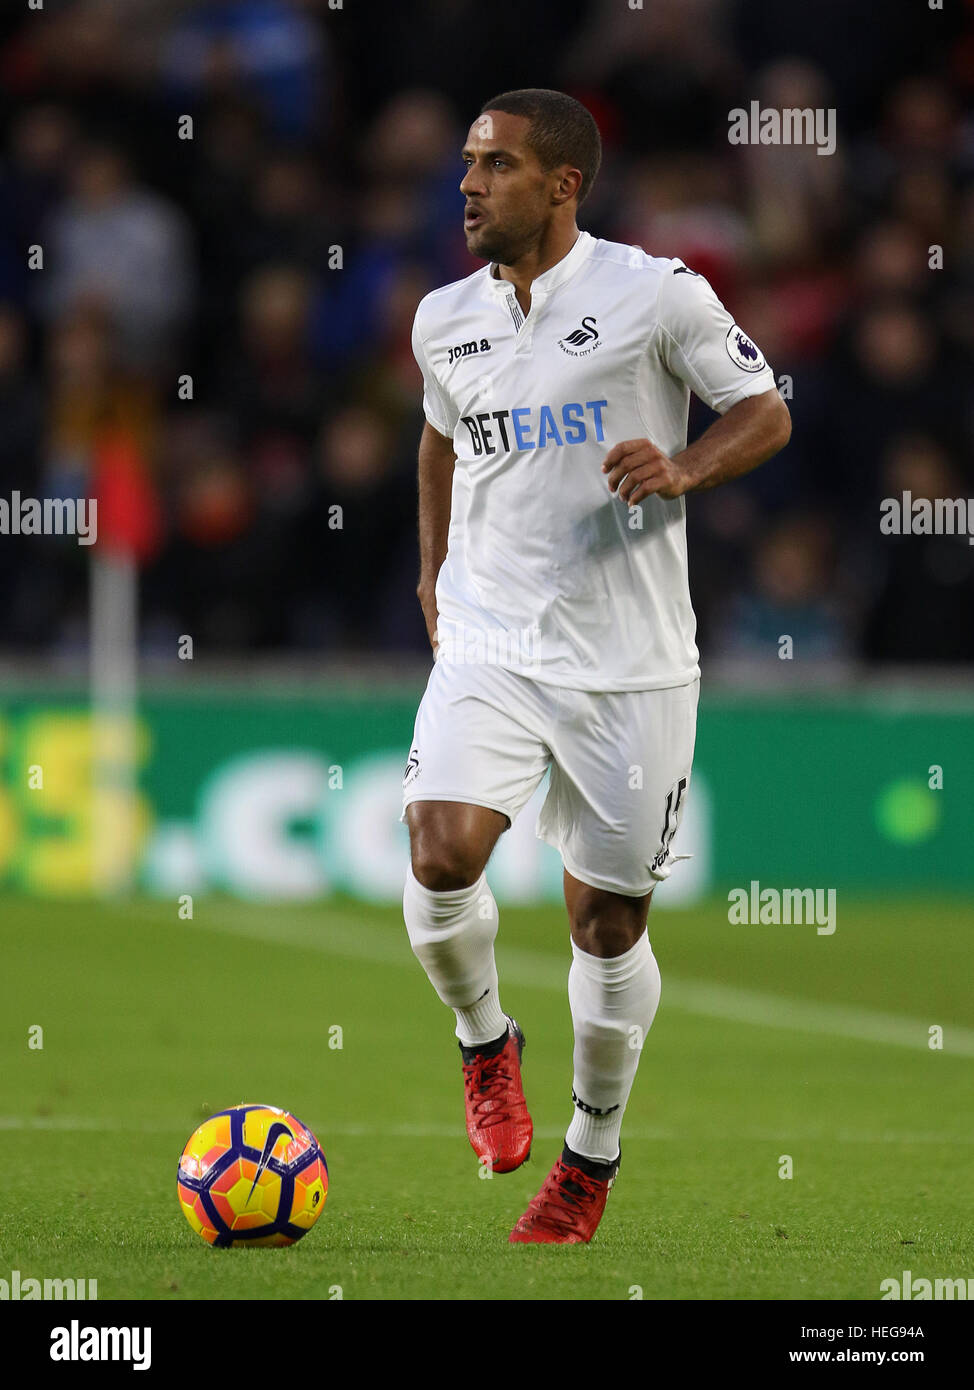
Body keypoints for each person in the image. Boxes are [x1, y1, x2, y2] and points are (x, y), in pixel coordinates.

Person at [402, 88, 791, 1244]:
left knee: (607, 926)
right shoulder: (441, 319)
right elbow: (437, 441)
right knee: (437, 854)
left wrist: (679, 468)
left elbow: (762, 412)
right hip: (490, 638)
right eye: (467, 163)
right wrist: (431, 576)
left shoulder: (655, 292)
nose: (468, 185)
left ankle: (587, 1158)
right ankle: (484, 1045)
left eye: (497, 166)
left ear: (563, 184)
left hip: (628, 665)